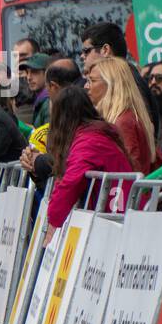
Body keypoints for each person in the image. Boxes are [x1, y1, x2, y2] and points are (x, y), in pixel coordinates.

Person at [43, 85, 133, 234]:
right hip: (115, 214)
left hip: (117, 219)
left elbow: (71, 181)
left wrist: (52, 221)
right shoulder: (92, 135)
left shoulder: (89, 141)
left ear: (60, 118)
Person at [80, 22, 159, 141]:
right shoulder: (124, 77)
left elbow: (141, 139)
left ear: (105, 50)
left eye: (86, 51)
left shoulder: (128, 80)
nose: (82, 56)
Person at [86, 58, 158, 175]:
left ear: (111, 85)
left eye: (92, 81)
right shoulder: (125, 117)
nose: (86, 86)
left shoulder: (122, 121)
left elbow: (130, 173)